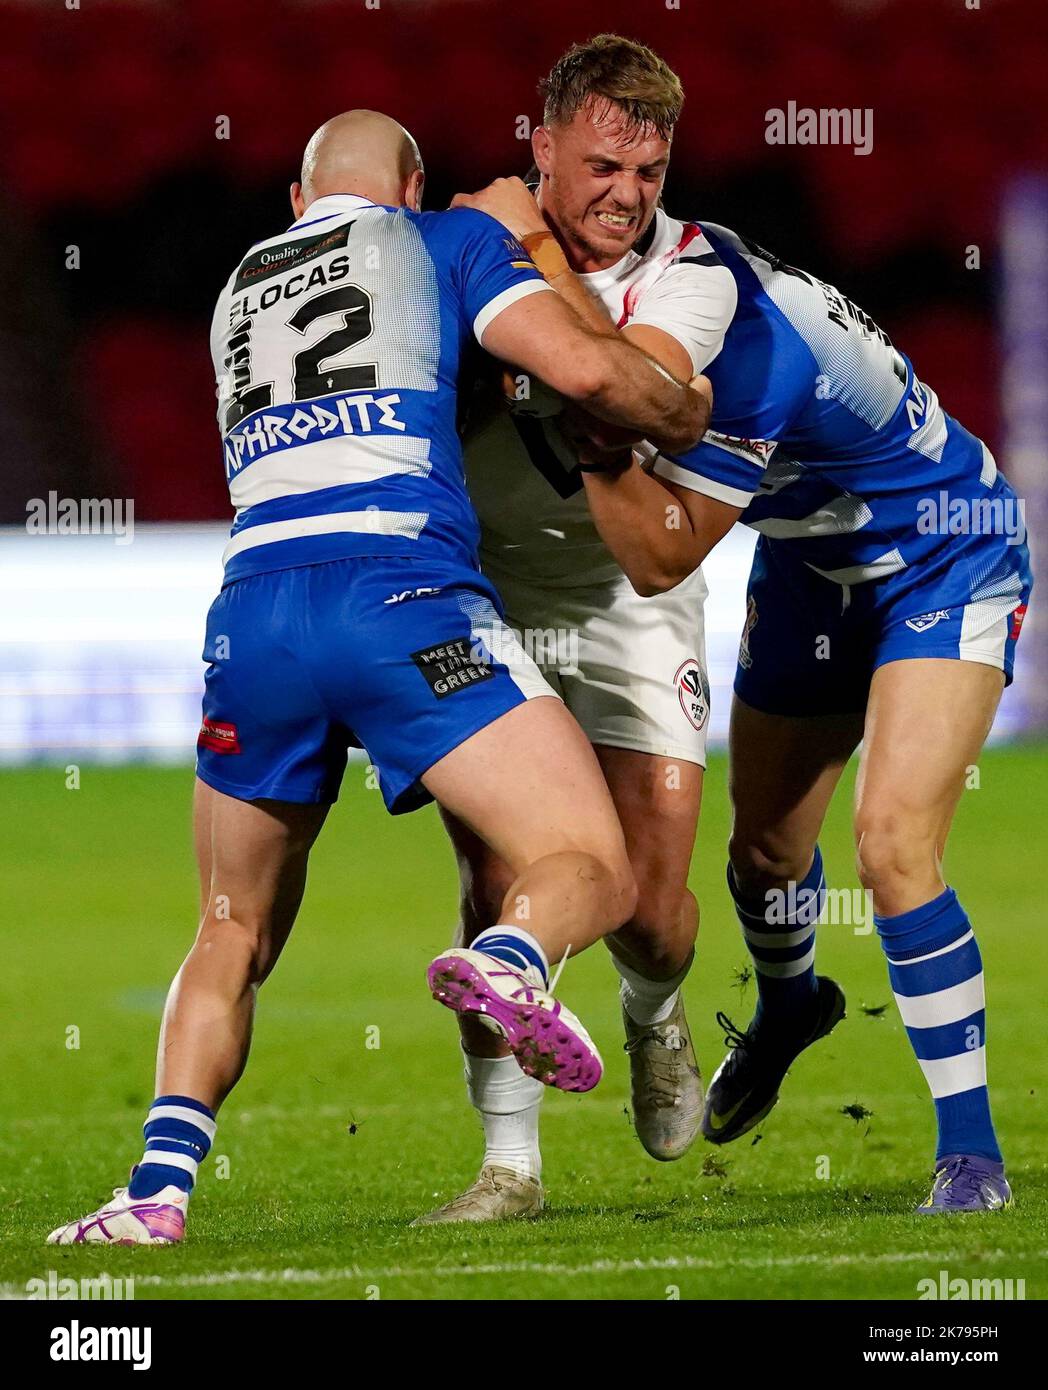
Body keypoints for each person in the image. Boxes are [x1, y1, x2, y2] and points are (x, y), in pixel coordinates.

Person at [46, 109, 707, 1245]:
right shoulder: (438, 242)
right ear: (410, 184)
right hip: (400, 596)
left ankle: (152, 1194)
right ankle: (512, 955)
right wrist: (677, 404)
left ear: (300, 203)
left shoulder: (238, 284)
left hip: (252, 613)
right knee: (589, 860)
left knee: (228, 927)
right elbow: (585, 368)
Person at [574, 223, 1031, 1213]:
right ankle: (791, 1006)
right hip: (809, 569)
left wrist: (576, 434)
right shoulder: (655, 301)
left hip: (943, 554)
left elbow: (661, 553)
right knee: (765, 857)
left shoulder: (755, 347)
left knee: (891, 844)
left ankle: (972, 1158)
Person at [415, 33, 738, 1226]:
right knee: (498, 882)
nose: (627, 196)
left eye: (648, 174)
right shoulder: (454, 254)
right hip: (486, 593)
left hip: (631, 604)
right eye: (602, 165)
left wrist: (519, 246)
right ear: (540, 145)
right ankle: (509, 1165)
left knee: (650, 912)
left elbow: (615, 393)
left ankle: (655, 1019)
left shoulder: (697, 274)